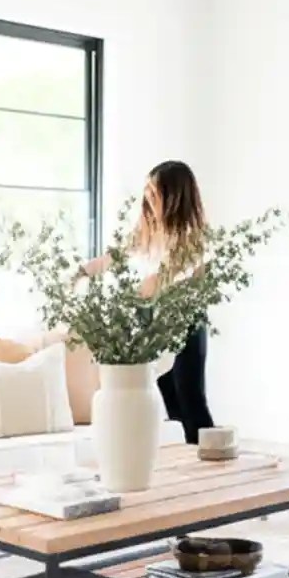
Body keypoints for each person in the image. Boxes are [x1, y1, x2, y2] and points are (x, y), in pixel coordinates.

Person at [79, 160, 212, 445]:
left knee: (191, 397)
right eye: (147, 191)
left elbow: (166, 277)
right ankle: (187, 459)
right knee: (168, 393)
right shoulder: (149, 227)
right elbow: (116, 255)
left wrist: (136, 296)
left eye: (155, 192)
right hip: (157, 322)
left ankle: (215, 457)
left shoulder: (191, 237)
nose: (148, 198)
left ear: (173, 195)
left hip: (186, 323)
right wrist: (81, 271)